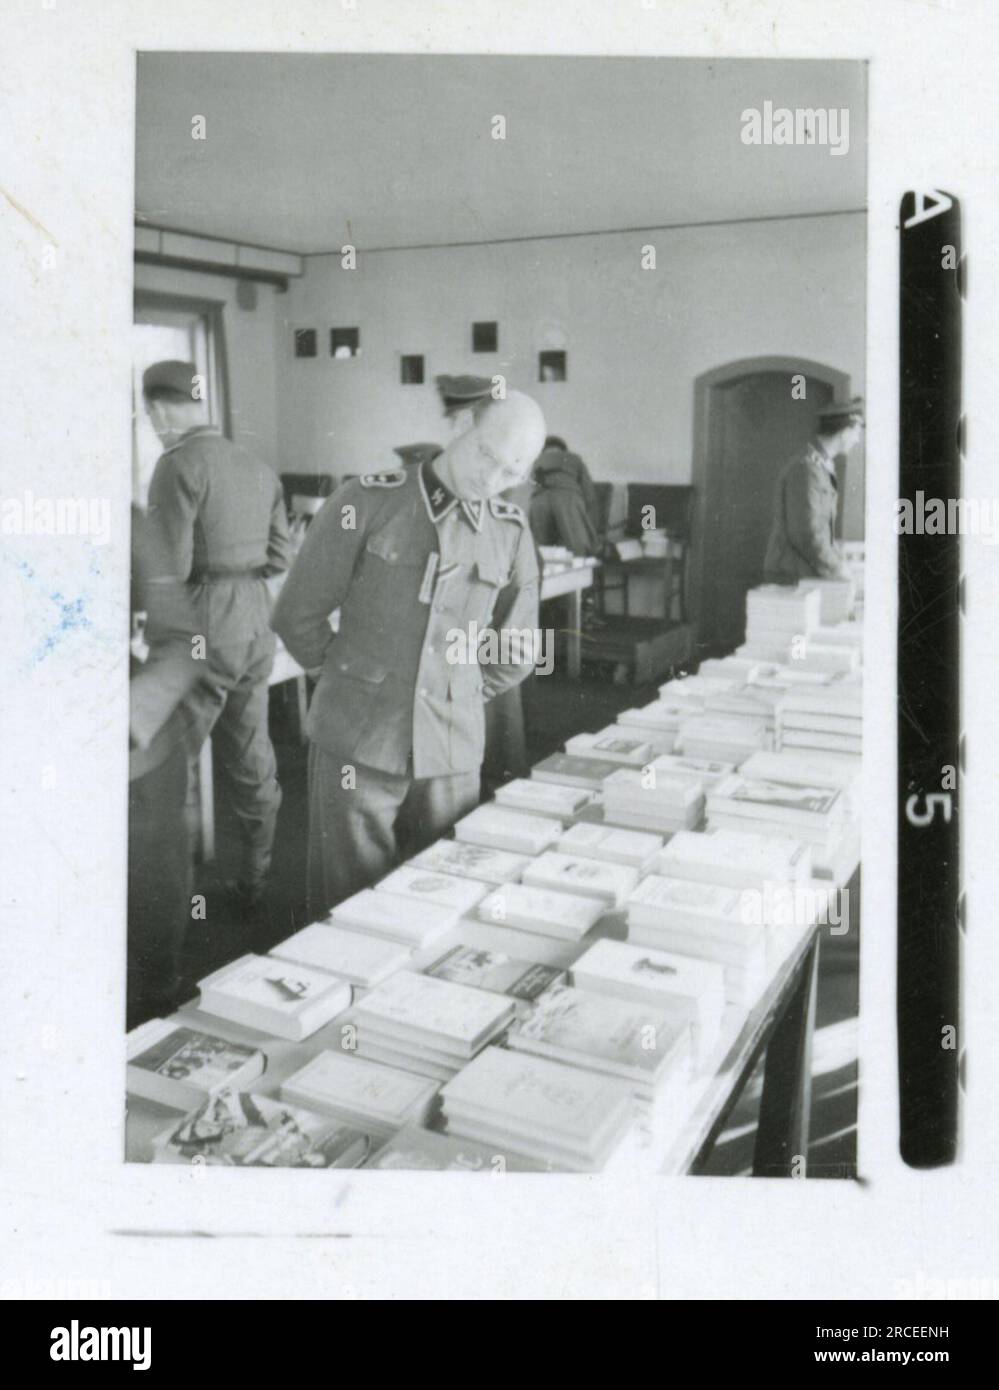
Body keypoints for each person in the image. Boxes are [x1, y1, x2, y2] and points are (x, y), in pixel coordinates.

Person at [272, 391, 546, 915]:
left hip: (451, 754)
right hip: (357, 744)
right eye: (487, 456)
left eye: (511, 473)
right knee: (347, 910)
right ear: (463, 424)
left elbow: (517, 648)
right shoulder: (367, 502)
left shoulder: (510, 531)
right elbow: (297, 613)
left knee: (441, 907)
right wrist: (350, 684)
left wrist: (459, 691)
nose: (491, 481)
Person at [142, 360, 292, 910]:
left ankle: (170, 900)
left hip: (204, 624)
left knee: (171, 762)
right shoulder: (255, 464)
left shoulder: (176, 465)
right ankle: (256, 880)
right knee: (251, 752)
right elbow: (280, 556)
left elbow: (170, 570)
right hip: (257, 619)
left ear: (158, 409)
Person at [128, 506, 207, 1029]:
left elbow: (186, 640)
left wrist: (125, 717)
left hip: (132, 755)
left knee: (154, 924)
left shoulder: (123, 518)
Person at [763, 397, 864, 584]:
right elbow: (807, 535)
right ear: (844, 431)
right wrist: (838, 569)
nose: (857, 440)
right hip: (792, 576)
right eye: (856, 432)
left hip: (805, 573)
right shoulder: (807, 469)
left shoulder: (820, 466)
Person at [529, 435, 600, 556]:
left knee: (541, 548)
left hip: (539, 501)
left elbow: (532, 484)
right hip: (567, 499)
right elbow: (589, 493)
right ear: (563, 449)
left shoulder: (537, 460)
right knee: (577, 546)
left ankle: (545, 573)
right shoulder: (574, 458)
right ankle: (581, 573)